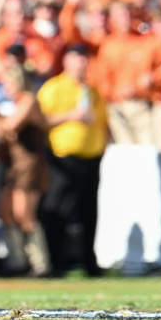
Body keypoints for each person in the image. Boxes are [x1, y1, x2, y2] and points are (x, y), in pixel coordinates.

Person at [37, 44, 108, 278]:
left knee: (90, 214)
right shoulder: (54, 87)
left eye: (84, 58)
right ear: (66, 61)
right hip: (63, 160)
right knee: (58, 212)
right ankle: (56, 264)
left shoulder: (93, 90)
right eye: (77, 58)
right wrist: (70, 116)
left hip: (91, 159)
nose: (82, 63)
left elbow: (102, 122)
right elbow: (41, 120)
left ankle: (90, 263)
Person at [0, 65, 51, 277]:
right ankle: (17, 262)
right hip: (15, 165)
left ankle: (40, 264)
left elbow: (7, 128)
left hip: (30, 164)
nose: (5, 87)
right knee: (6, 213)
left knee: (24, 215)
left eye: (8, 82)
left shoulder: (28, 100)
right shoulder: (15, 103)